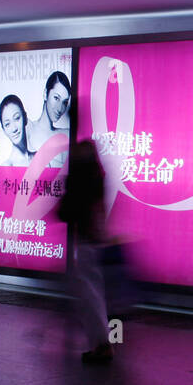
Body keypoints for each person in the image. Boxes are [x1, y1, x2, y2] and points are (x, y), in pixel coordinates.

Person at [58, 139, 112, 362]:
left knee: (90, 297)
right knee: (92, 294)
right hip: (94, 240)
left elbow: (66, 210)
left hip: (86, 242)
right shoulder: (97, 178)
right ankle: (100, 343)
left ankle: (101, 344)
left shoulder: (82, 181)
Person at [25, 71, 71, 160]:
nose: (60, 108)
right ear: (45, 94)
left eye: (64, 102)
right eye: (56, 98)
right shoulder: (28, 128)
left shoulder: (67, 134)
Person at [0, 94, 36, 167]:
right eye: (7, 124)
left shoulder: (41, 158)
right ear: (4, 130)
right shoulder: (7, 166)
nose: (14, 129)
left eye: (17, 118)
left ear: (25, 118)